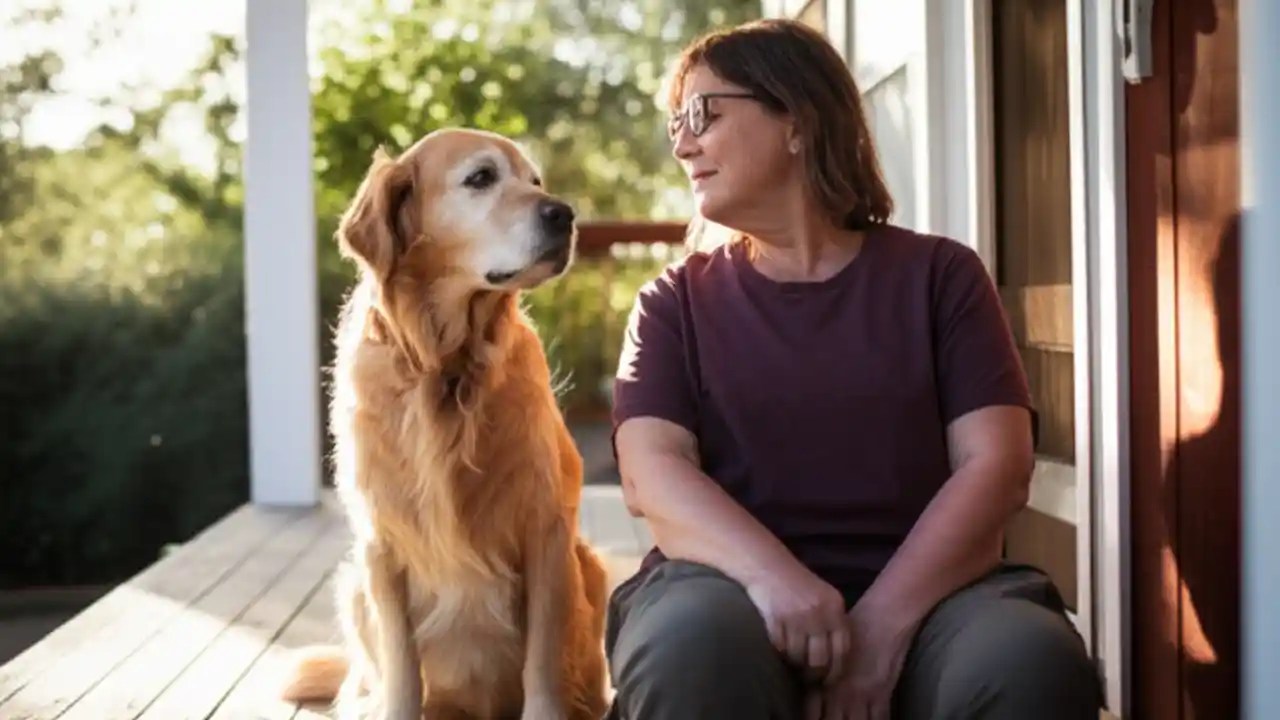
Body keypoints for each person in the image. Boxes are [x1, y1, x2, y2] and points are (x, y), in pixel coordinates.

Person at [603, 18, 1101, 720]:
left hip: (936, 598)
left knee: (1027, 660)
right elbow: (649, 471)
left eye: (703, 114)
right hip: (727, 593)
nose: (682, 142)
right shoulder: (672, 301)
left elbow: (997, 465)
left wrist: (881, 630)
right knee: (691, 645)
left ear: (798, 120)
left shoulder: (940, 276)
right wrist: (780, 584)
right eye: (675, 124)